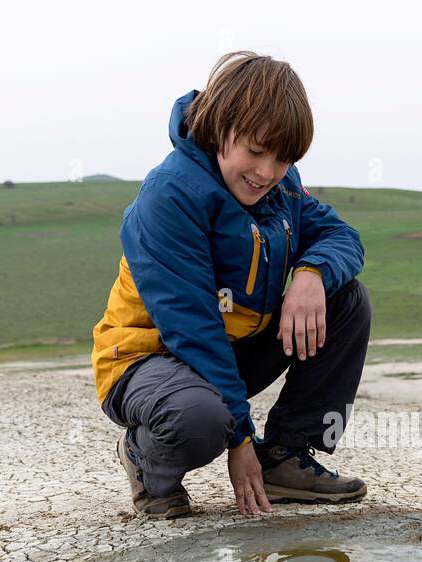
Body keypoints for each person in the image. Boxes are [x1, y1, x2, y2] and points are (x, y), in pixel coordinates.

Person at [91, 51, 371, 519]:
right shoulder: (170, 196)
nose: (267, 172)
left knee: (345, 300)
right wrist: (239, 439)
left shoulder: (281, 186)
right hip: (148, 360)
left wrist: (311, 274)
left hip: (227, 348)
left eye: (283, 158)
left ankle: (284, 457)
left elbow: (342, 236)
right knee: (202, 420)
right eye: (255, 151)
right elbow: (194, 329)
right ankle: (148, 463)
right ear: (220, 126)